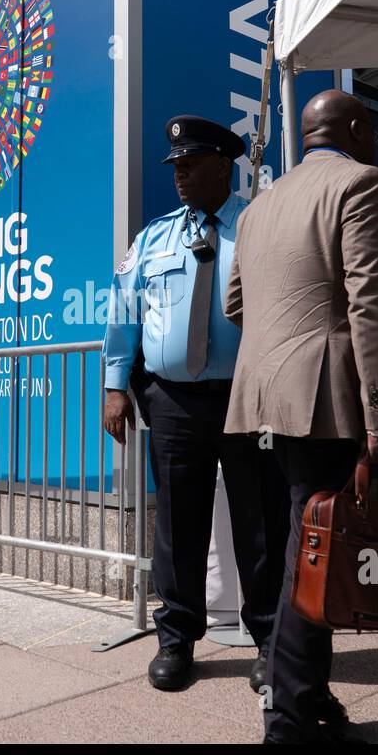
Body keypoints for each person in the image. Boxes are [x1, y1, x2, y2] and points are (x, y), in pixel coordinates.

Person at [225, 90, 378, 743]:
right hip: (323, 399)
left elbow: (235, 303)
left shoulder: (259, 205)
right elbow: (372, 306)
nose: (377, 142)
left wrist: (281, 347)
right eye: (374, 130)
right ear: (355, 128)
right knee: (318, 555)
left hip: (256, 400)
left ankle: (312, 699)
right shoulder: (362, 183)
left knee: (303, 545)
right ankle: (287, 719)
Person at [102, 116, 291, 693]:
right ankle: (177, 639)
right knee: (178, 526)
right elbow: (124, 312)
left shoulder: (259, 228)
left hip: (246, 398)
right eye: (176, 166)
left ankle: (270, 641)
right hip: (175, 400)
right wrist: (114, 385)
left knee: (261, 524)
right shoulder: (153, 238)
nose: (179, 175)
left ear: (223, 167)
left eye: (191, 164)